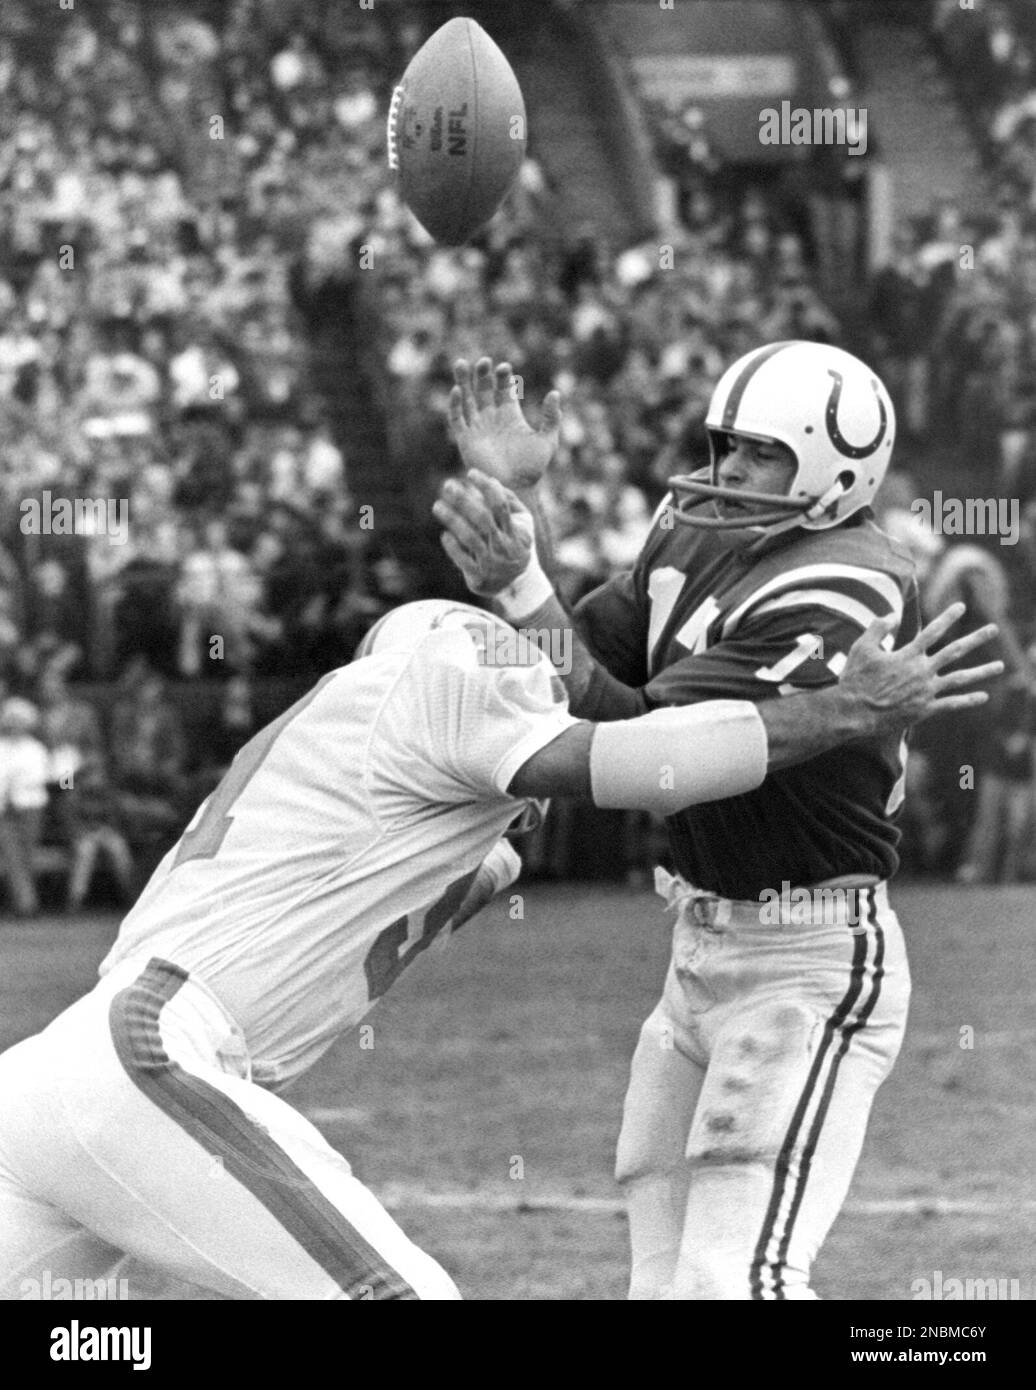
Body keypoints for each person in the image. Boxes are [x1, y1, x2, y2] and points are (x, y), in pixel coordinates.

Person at [0, 595, 994, 1302]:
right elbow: (641, 764)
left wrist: (491, 851)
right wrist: (845, 710)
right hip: (152, 1056)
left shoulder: (339, 746)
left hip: (49, 1086)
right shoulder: (442, 671)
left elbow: (449, 873)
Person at [433, 348, 1003, 1301]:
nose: (727, 469)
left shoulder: (847, 582)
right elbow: (565, 668)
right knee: (664, 1291)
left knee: (734, 1282)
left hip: (808, 961)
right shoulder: (692, 529)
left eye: (761, 453)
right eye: (724, 444)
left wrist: (523, 579)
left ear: (835, 468)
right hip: (699, 950)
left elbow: (640, 749)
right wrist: (516, 521)